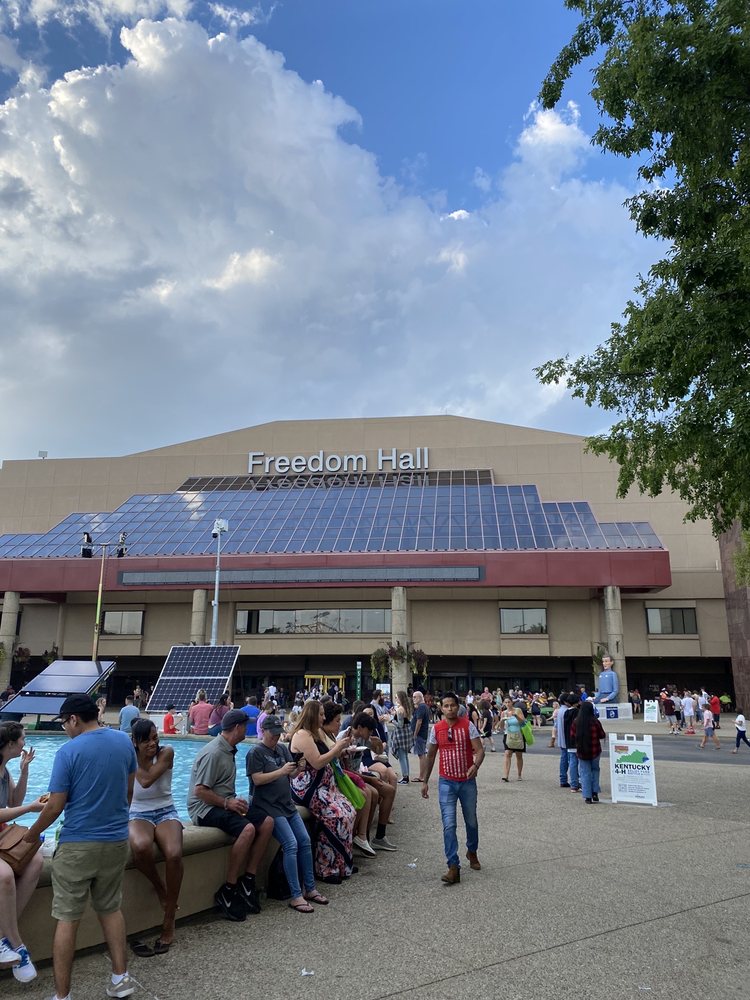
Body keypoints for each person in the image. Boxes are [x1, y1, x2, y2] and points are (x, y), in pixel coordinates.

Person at [24, 693, 138, 1000]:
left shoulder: (68, 751)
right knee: (111, 909)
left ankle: (63, 996)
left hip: (78, 845)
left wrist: (32, 834)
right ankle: (120, 978)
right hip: (116, 841)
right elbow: (128, 791)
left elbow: (55, 806)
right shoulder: (124, 742)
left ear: (74, 719)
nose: (64, 729)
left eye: (64, 723)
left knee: (67, 918)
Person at [187, 709, 274, 921]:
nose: (248, 728)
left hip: (223, 803)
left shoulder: (229, 749)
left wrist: (234, 801)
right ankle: (229, 887)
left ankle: (248, 879)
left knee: (267, 822)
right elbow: (200, 791)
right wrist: (227, 802)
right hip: (204, 808)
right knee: (247, 829)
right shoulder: (214, 753)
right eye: (246, 726)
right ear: (237, 728)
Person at [247, 716, 329, 912]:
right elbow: (257, 780)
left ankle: (310, 888)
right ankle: (295, 895)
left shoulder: (282, 749)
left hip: (286, 805)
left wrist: (298, 768)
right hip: (268, 806)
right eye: (272, 734)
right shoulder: (255, 753)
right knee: (290, 844)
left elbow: (291, 774)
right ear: (263, 731)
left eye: (278, 733)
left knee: (305, 840)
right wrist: (282, 771)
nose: (276, 737)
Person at [128, 720, 183, 954]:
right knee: (140, 847)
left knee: (174, 853)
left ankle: (169, 921)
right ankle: (161, 890)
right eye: (147, 739)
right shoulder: (128, 756)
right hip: (138, 811)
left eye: (154, 737)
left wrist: (131, 758)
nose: (153, 743)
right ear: (135, 742)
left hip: (166, 809)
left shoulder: (166, 752)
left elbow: (147, 780)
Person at [289, 700, 356, 884]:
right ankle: (326, 867)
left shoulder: (315, 734)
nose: (323, 717)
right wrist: (337, 748)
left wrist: (340, 747)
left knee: (349, 810)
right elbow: (317, 762)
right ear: (312, 715)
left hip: (323, 787)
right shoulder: (303, 735)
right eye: (320, 714)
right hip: (308, 789)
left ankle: (342, 862)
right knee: (336, 815)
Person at [421, 692, 484, 885]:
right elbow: (431, 755)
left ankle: (472, 851)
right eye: (446, 706)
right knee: (449, 824)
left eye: (452, 705)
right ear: (441, 708)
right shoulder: (436, 729)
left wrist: (475, 765)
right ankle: (453, 866)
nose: (449, 708)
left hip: (466, 781)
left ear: (458, 707)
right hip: (446, 782)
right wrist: (424, 781)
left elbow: (480, 750)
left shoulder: (467, 725)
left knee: (471, 820)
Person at [0, 722, 45, 982]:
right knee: (5, 876)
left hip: (2, 836)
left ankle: (2, 937)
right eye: (22, 739)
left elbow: (13, 802)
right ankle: (17, 945)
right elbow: (18, 808)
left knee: (36, 860)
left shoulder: (4, 770)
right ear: (10, 744)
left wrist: (24, 770)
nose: (24, 743)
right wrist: (29, 809)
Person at [570, 701, 606, 803]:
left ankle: (587, 796)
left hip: (582, 751)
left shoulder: (576, 721)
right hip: (595, 750)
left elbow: (572, 737)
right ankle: (595, 792)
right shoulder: (595, 721)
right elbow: (602, 735)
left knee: (584, 773)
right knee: (595, 770)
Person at [501, 697, 526, 782]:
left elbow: (523, 722)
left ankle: (519, 774)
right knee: (507, 753)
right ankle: (506, 775)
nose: (507, 704)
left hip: (518, 734)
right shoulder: (503, 713)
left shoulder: (518, 710)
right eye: (506, 702)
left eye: (509, 702)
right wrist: (501, 721)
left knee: (519, 755)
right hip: (508, 735)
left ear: (512, 702)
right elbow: (501, 728)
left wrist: (516, 716)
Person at [391, 690, 413, 783]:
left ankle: (405, 777)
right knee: (405, 756)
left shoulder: (400, 709)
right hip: (406, 734)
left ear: (400, 698)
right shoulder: (406, 707)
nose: (395, 699)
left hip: (401, 736)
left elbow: (399, 725)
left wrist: (391, 719)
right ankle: (406, 775)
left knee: (402, 757)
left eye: (396, 697)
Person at [411, 691, 430, 781]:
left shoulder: (421, 707)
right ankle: (424, 775)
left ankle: (422, 776)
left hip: (420, 734)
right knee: (422, 754)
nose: (413, 699)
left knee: (421, 755)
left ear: (420, 697)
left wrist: (415, 734)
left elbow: (419, 721)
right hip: (423, 734)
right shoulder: (424, 707)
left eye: (415, 697)